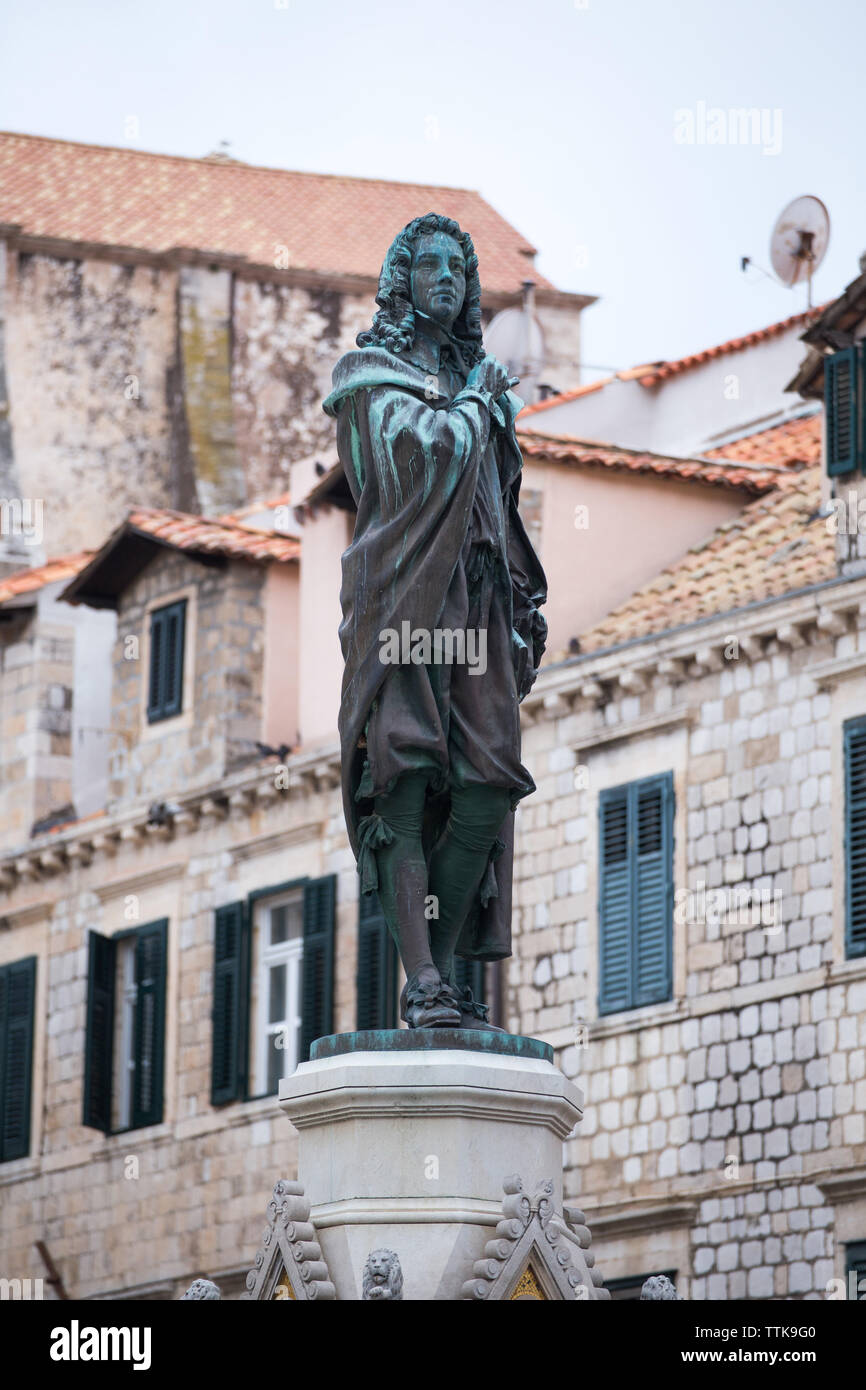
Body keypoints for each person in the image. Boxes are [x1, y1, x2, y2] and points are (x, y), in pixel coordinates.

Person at [323, 212, 547, 1029]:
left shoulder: (481, 382)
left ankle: (437, 972)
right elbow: (419, 459)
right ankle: (425, 983)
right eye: (431, 266)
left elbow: (500, 498)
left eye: (459, 267)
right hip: (405, 599)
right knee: (405, 777)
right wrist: (476, 408)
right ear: (403, 282)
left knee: (488, 785)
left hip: (479, 601)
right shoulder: (369, 375)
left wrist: (519, 600)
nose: (447, 278)